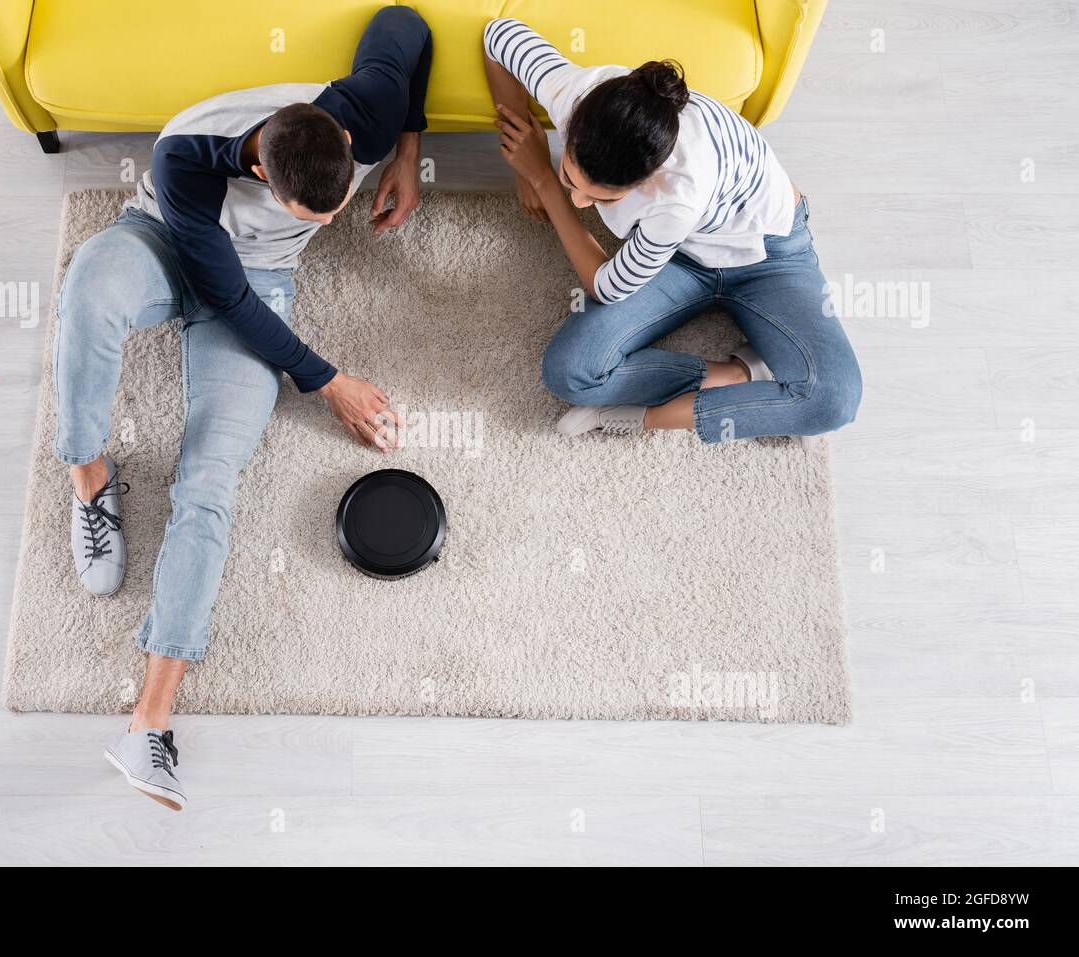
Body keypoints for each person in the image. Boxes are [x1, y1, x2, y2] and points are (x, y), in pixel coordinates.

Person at [52, 7, 432, 810]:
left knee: (210, 478)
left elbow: (405, 22)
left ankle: (148, 722)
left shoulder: (361, 110)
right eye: (314, 215)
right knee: (89, 287)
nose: (334, 221)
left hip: (261, 276)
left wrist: (407, 148)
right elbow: (225, 299)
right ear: (262, 172)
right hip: (164, 242)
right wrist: (328, 380)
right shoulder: (185, 158)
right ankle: (89, 477)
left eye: (337, 205)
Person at [482, 18, 861, 442]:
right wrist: (520, 157)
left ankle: (646, 417)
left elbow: (605, 286)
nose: (579, 203)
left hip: (768, 254)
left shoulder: (676, 197)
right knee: (571, 372)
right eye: (570, 177)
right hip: (684, 257)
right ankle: (737, 374)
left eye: (603, 198)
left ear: (649, 179)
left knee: (832, 399)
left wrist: (545, 181)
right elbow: (499, 35)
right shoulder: (573, 93)